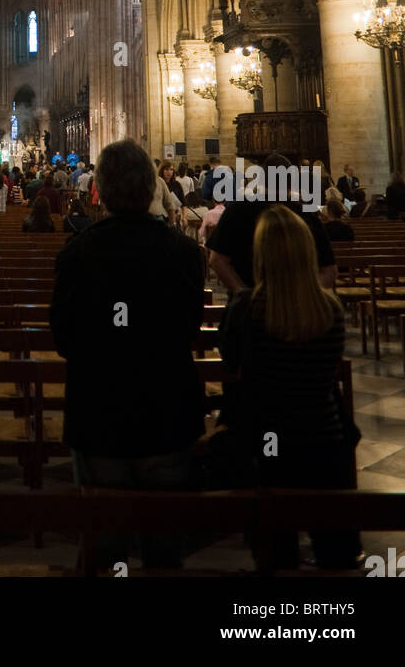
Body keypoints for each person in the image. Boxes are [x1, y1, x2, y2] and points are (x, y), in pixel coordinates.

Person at [50, 141, 205, 569]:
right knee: (166, 549)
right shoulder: (185, 252)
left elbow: (63, 338)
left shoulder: (78, 252)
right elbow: (191, 329)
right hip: (168, 412)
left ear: (99, 188)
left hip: (98, 414)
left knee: (102, 545)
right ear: (152, 188)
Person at [217, 205, 361, 570]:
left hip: (268, 443)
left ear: (260, 254)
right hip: (324, 442)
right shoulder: (329, 309)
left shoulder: (246, 309)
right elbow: (325, 372)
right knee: (337, 554)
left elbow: (232, 363)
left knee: (276, 556)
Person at [207, 152, 336, 292]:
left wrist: (242, 293)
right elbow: (329, 270)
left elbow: (217, 260)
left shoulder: (238, 209)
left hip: (250, 304)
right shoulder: (306, 214)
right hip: (297, 306)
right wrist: (305, 297)